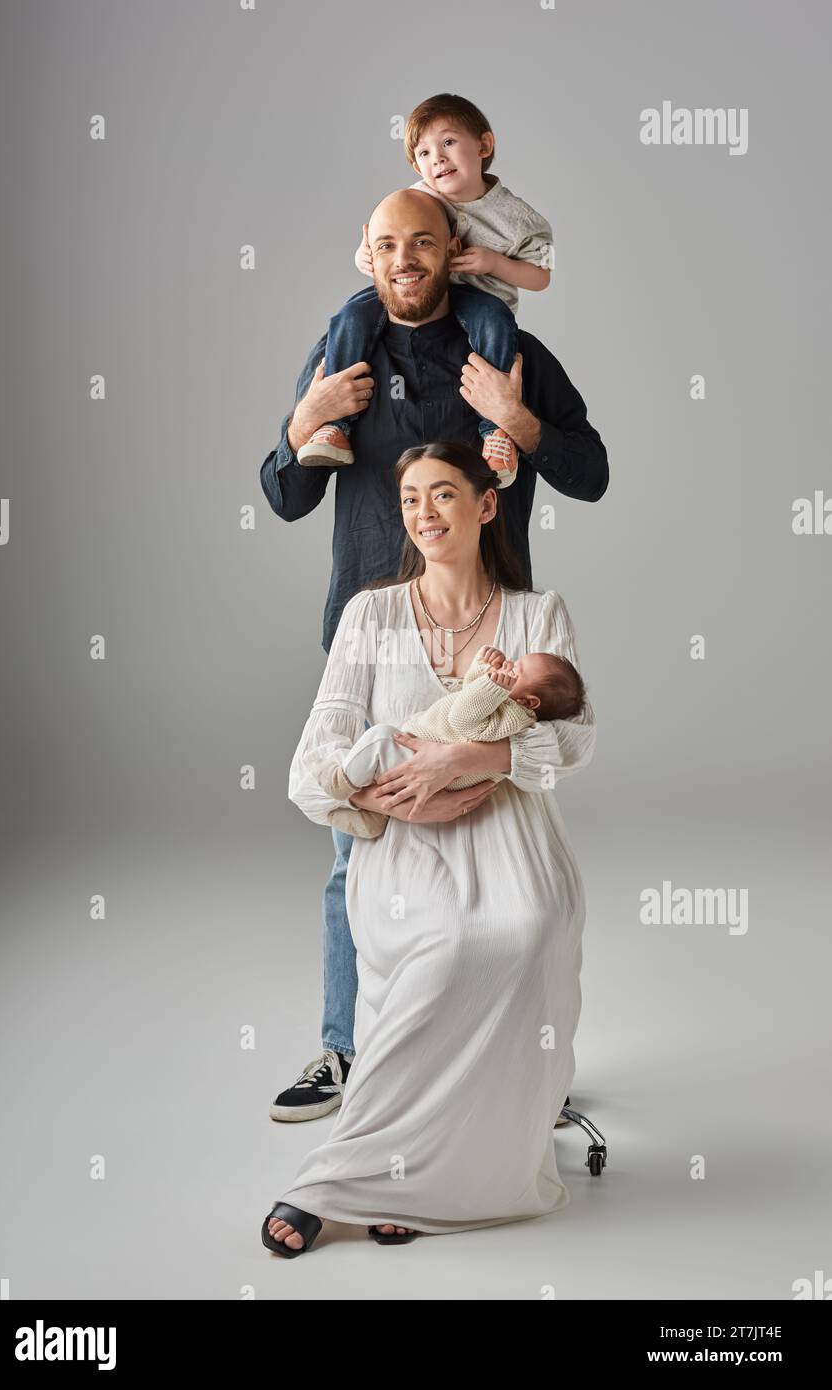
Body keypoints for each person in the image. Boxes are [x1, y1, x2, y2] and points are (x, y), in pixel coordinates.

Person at [259, 183, 608, 1133]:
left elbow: (591, 472)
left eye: (422, 241)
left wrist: (519, 418)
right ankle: (350, 1045)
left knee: (499, 846)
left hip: (491, 629)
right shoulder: (345, 352)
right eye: (386, 245)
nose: (404, 259)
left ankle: (520, 1052)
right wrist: (302, 426)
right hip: (371, 631)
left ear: (453, 246)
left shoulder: (511, 354)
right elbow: (283, 495)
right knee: (358, 851)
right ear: (365, 256)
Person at [262, 440, 596, 1255]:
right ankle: (345, 1176)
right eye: (410, 499)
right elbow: (316, 757)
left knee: (526, 930)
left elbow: (576, 736)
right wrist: (376, 792)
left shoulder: (536, 612)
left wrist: (473, 758)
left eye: (443, 495)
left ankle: (458, 1171)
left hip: (511, 839)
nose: (424, 514)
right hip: (407, 848)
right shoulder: (368, 615)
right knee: (443, 948)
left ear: (486, 505)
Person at [296, 92, 554, 487]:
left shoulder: (515, 217)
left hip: (479, 299)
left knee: (496, 324)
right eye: (425, 153)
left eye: (449, 143)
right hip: (421, 294)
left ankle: (496, 431)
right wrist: (363, 254)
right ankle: (334, 427)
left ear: (484, 145)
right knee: (349, 315)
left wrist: (495, 264)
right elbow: (383, 238)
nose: (438, 159)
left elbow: (541, 275)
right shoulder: (420, 197)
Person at [307, 644, 585, 838]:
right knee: (378, 752)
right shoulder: (504, 703)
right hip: (425, 760)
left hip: (425, 765)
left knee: (378, 738)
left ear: (528, 701)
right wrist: (483, 667)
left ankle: (341, 785)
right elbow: (470, 690)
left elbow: (463, 718)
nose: (509, 665)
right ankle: (372, 816)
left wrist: (492, 686)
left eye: (517, 670)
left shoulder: (512, 716)